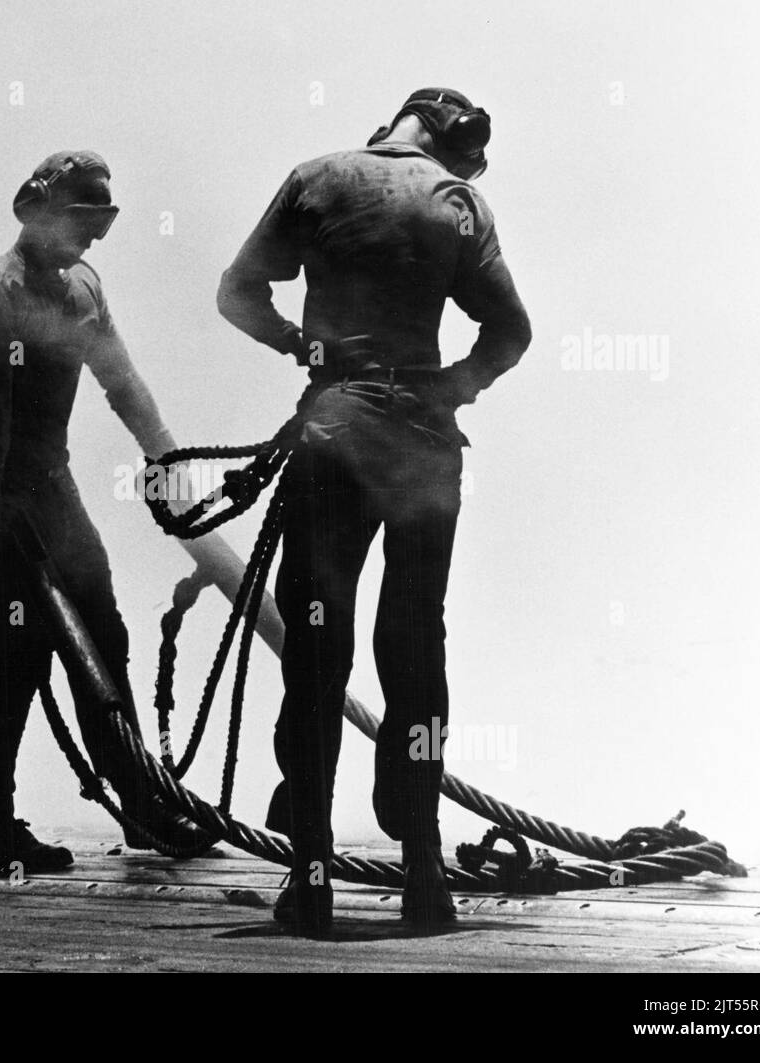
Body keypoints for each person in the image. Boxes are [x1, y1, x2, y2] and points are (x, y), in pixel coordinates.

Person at [216, 88, 532, 936]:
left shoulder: (316, 178)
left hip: (335, 429)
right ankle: (424, 868)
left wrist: (302, 348)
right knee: (415, 644)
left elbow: (237, 292)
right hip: (424, 442)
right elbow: (511, 332)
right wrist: (453, 388)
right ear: (451, 141)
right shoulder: (459, 203)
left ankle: (310, 873)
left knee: (317, 648)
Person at [0, 150, 208, 872]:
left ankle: (142, 805)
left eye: (102, 224)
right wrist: (0, 529)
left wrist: (164, 454)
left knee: (106, 634)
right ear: (39, 213)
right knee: (18, 652)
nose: (93, 238)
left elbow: (120, 379)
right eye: (82, 221)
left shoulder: (84, 288)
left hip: (51, 489)